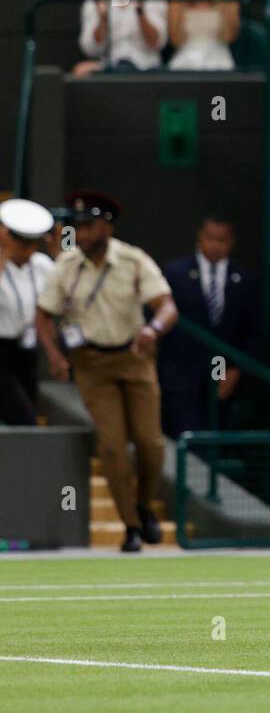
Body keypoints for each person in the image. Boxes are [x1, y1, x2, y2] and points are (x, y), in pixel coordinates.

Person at [36, 191, 179, 553]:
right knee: (113, 447)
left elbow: (166, 306)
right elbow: (43, 315)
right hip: (92, 365)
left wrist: (153, 329)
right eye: (77, 227)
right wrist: (54, 354)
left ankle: (144, 504)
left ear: (107, 226)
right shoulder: (66, 266)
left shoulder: (133, 260)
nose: (81, 234)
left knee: (150, 445)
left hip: (134, 356)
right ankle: (130, 526)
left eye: (88, 227)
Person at [158, 215, 259, 438]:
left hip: (221, 367)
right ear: (200, 238)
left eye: (221, 240)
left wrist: (235, 369)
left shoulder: (243, 279)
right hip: (181, 373)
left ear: (231, 242)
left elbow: (251, 330)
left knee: (216, 438)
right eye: (210, 238)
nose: (214, 245)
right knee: (192, 440)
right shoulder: (175, 274)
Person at [0, 199, 54, 426]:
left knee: (26, 415)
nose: (29, 250)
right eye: (22, 243)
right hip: (1, 351)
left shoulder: (41, 264)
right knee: (24, 419)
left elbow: (69, 272)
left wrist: (63, 242)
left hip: (28, 351)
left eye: (33, 244)